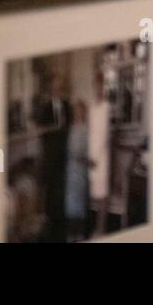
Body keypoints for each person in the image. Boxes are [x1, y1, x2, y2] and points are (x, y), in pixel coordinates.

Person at [33, 71, 71, 242]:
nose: (58, 90)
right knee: (49, 189)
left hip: (63, 155)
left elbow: (70, 129)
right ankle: (49, 224)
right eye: (56, 87)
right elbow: (41, 131)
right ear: (52, 89)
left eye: (60, 87)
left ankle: (61, 223)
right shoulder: (46, 108)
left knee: (61, 189)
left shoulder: (67, 106)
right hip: (50, 155)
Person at [87, 70, 111, 236]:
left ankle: (101, 230)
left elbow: (104, 135)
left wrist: (95, 157)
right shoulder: (91, 107)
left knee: (102, 195)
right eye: (95, 85)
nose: (98, 89)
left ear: (103, 87)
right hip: (91, 155)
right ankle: (93, 227)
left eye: (100, 85)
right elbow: (90, 132)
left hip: (101, 156)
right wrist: (89, 156)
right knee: (93, 193)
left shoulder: (106, 107)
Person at [64, 101, 89, 241]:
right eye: (76, 110)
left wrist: (83, 158)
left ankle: (79, 234)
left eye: (81, 110)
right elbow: (68, 149)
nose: (78, 113)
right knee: (70, 203)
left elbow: (87, 150)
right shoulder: (71, 128)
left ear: (84, 112)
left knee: (80, 202)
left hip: (81, 170)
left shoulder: (86, 129)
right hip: (71, 169)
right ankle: (70, 234)